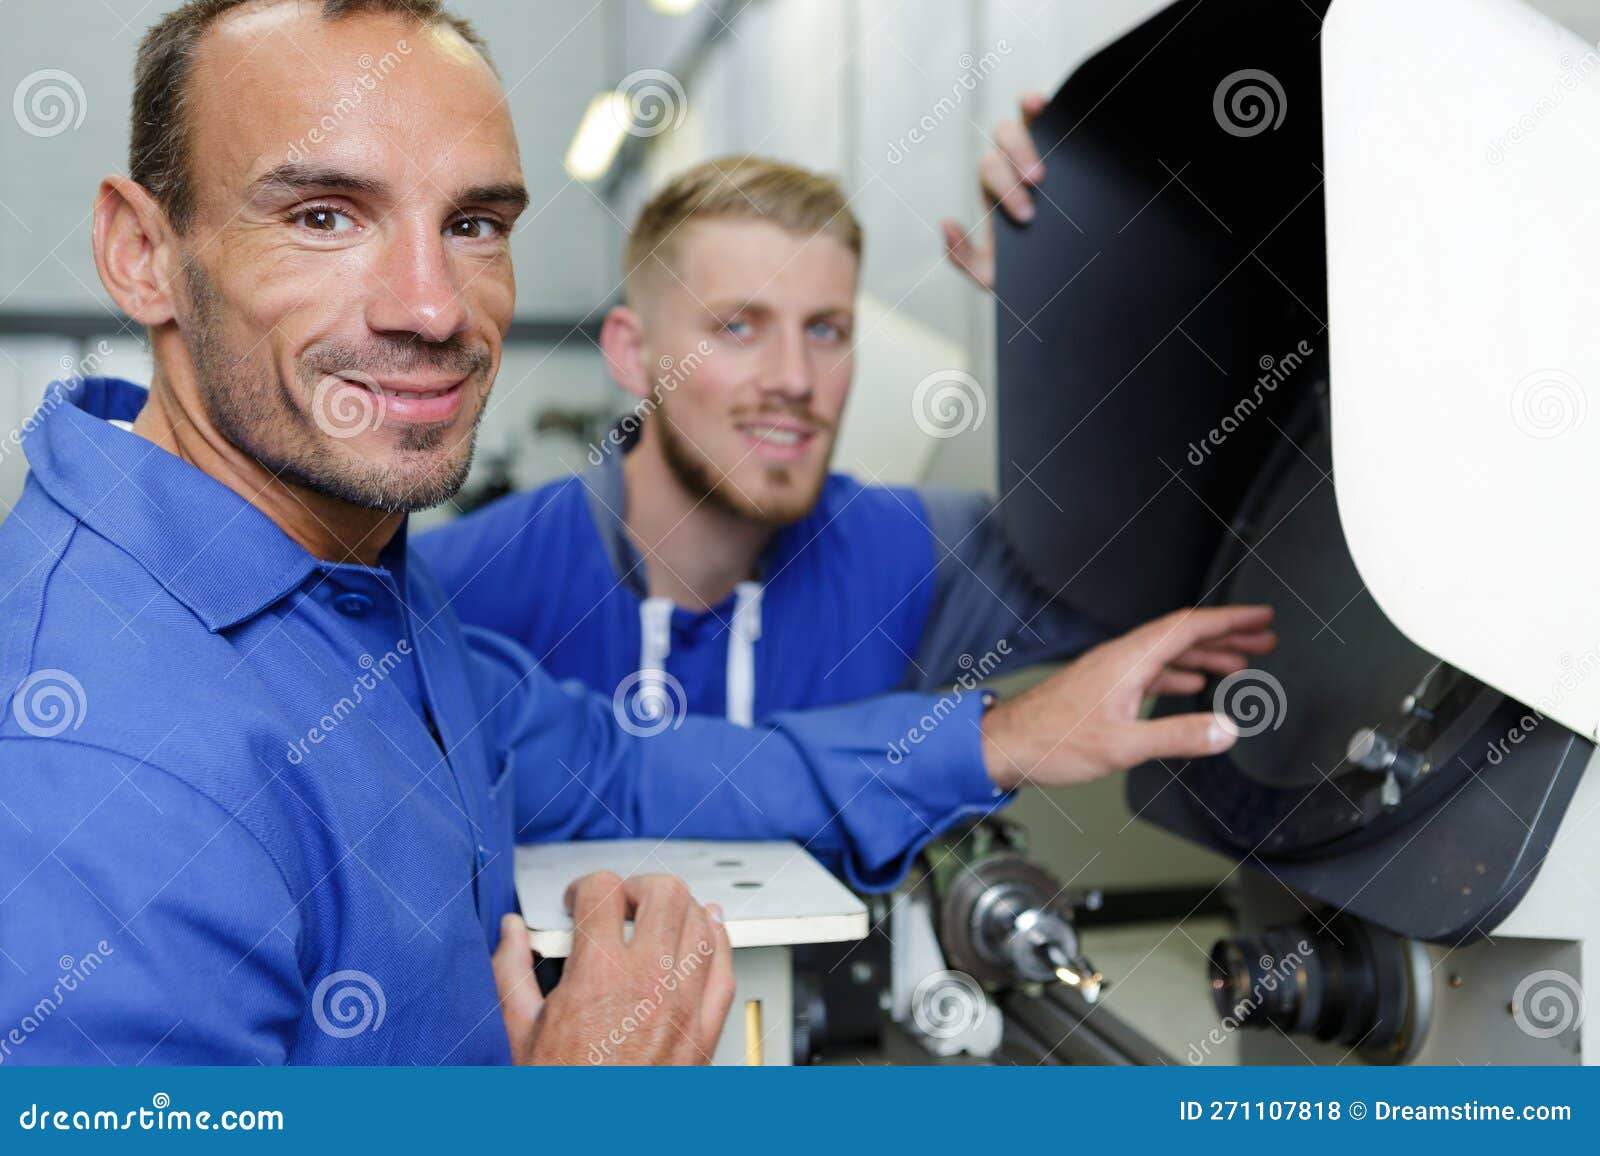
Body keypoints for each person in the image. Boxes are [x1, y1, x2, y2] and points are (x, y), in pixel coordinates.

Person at [0, 1, 1272, 1066]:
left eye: (474, 224)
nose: (432, 308)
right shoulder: (89, 751)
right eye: (323, 215)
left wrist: (1001, 735)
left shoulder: (366, 598)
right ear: (141, 253)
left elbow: (632, 773)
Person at [415, 156, 1112, 727]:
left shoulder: (915, 556)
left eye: (825, 331)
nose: (796, 380)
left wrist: (1071, 306)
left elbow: (1144, 572)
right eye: (739, 328)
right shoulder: (452, 593)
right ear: (631, 352)